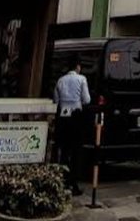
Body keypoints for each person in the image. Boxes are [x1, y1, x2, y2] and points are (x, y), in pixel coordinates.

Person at [54, 59, 92, 196]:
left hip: (63, 116)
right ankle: (73, 183)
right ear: (77, 67)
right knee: (76, 151)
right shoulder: (82, 79)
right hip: (76, 116)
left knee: (64, 150)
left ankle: (62, 180)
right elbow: (87, 99)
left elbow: (56, 100)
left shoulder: (60, 80)